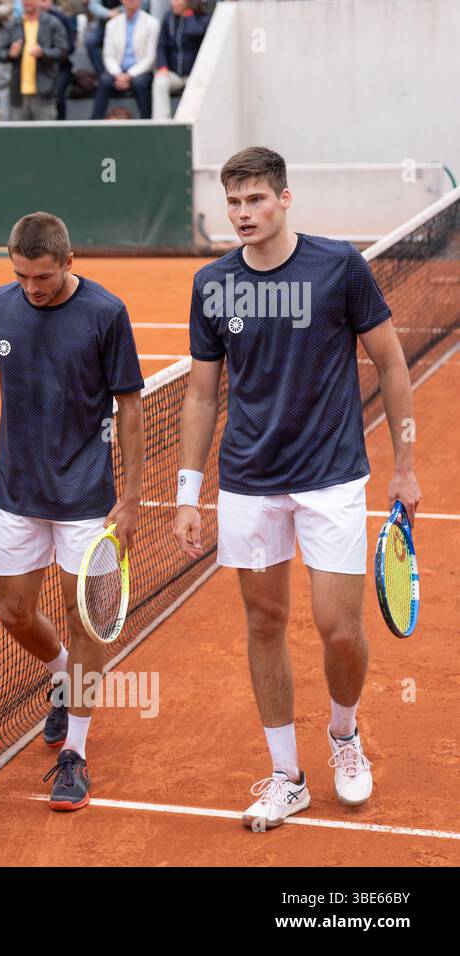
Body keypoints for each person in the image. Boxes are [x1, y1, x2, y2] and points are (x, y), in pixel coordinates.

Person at [173, 146, 419, 830]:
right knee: (264, 622)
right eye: (234, 202)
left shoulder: (339, 267)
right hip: (250, 480)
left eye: (255, 200)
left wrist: (404, 463)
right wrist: (188, 492)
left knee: (341, 630)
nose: (243, 213)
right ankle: (286, 774)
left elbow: (392, 364)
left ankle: (344, 734)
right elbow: (200, 394)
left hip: (332, 474)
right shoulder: (212, 284)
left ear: (284, 199)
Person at [0, 211, 146, 812]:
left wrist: (130, 497)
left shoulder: (104, 313)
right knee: (15, 613)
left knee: (87, 625)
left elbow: (129, 405)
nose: (31, 287)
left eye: (42, 276)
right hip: (18, 495)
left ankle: (75, 750)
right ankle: (61, 679)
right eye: (20, 275)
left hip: (84, 500)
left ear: (68, 262)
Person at [0, 0, 69, 120]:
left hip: (44, 91)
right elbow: (0, 53)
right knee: (20, 136)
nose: (28, 2)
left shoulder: (52, 23)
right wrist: (10, 53)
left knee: (45, 136)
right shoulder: (13, 24)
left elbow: (63, 50)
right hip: (18, 92)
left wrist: (44, 53)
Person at [91, 0, 158, 119]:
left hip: (141, 71)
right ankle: (94, 123)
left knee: (139, 83)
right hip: (117, 70)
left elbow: (150, 57)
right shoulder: (112, 24)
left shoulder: (152, 23)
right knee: (104, 81)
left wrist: (129, 75)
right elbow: (108, 55)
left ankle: (148, 122)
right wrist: (118, 74)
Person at [152, 0, 208, 119]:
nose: (173, 3)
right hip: (174, 74)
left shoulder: (201, 18)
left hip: (194, 75)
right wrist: (163, 66)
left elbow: (195, 31)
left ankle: (189, 122)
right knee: (160, 82)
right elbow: (161, 46)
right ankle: (162, 122)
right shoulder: (168, 18)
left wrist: (189, 17)